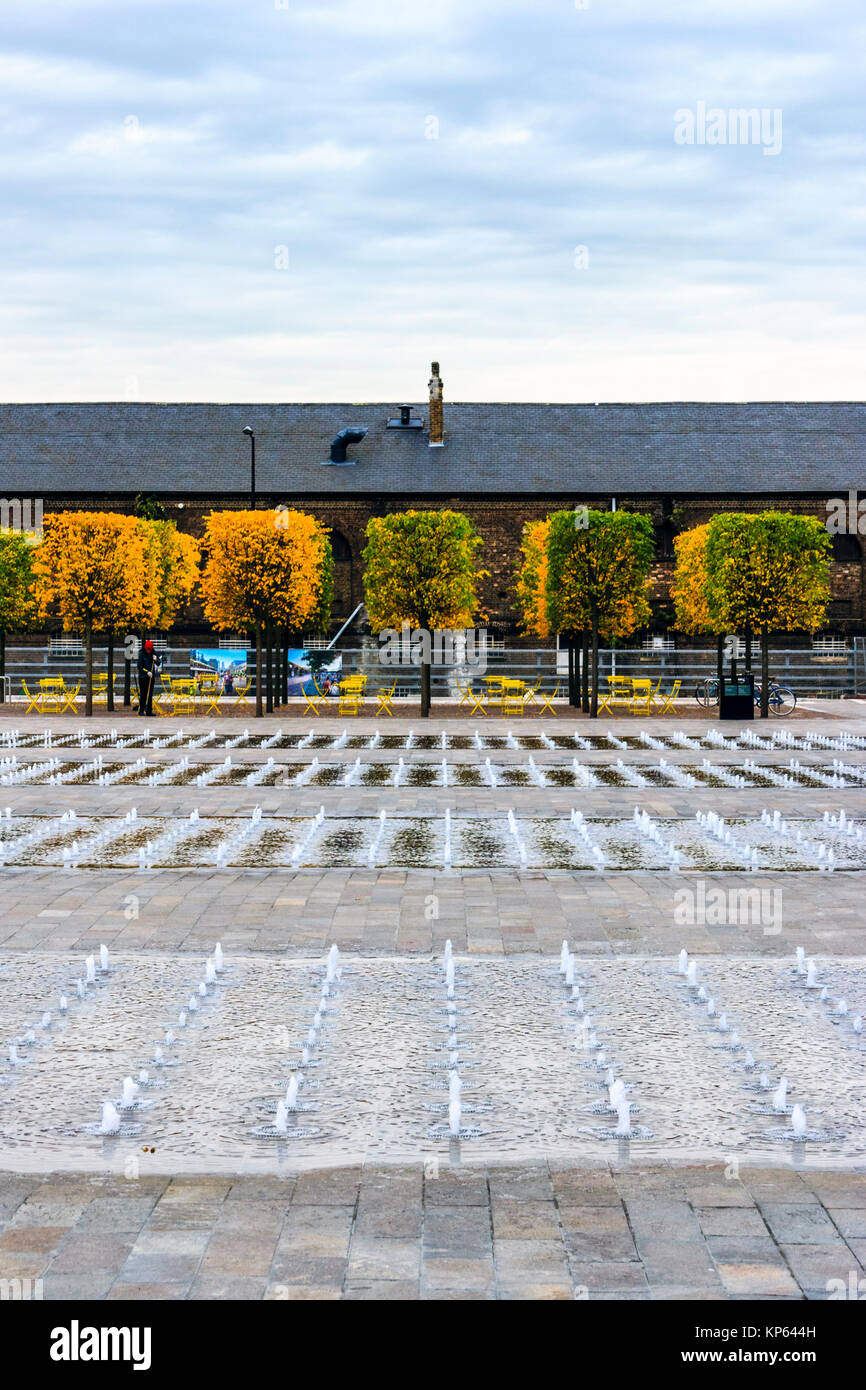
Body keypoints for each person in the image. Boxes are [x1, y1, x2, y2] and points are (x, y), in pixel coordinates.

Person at [137, 639, 159, 716]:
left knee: (149, 694)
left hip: (151, 678)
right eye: (147, 650)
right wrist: (147, 672)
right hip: (143, 677)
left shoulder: (153, 653)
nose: (148, 651)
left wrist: (156, 660)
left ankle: (149, 711)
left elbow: (158, 663)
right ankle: (141, 710)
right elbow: (139, 666)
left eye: (150, 650)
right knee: (143, 694)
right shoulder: (141, 653)